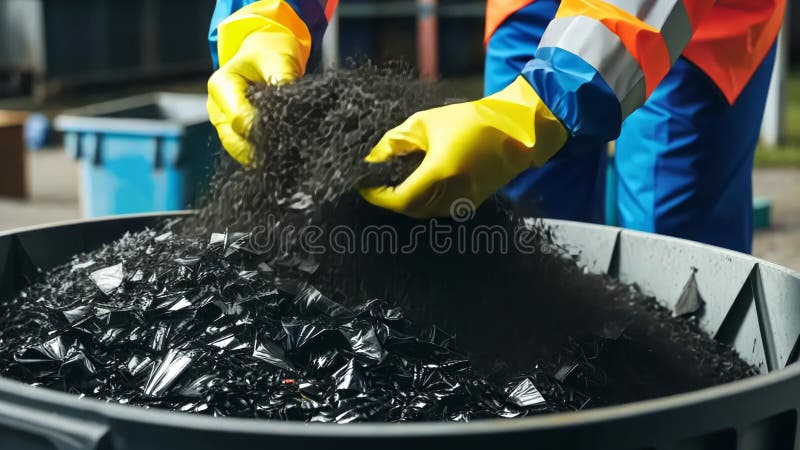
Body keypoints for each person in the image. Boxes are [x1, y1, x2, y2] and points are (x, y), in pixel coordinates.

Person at [207, 0, 785, 254]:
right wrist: (266, 15)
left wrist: (541, 103)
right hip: (530, 4)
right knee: (521, 231)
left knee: (673, 238)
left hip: (693, 16)